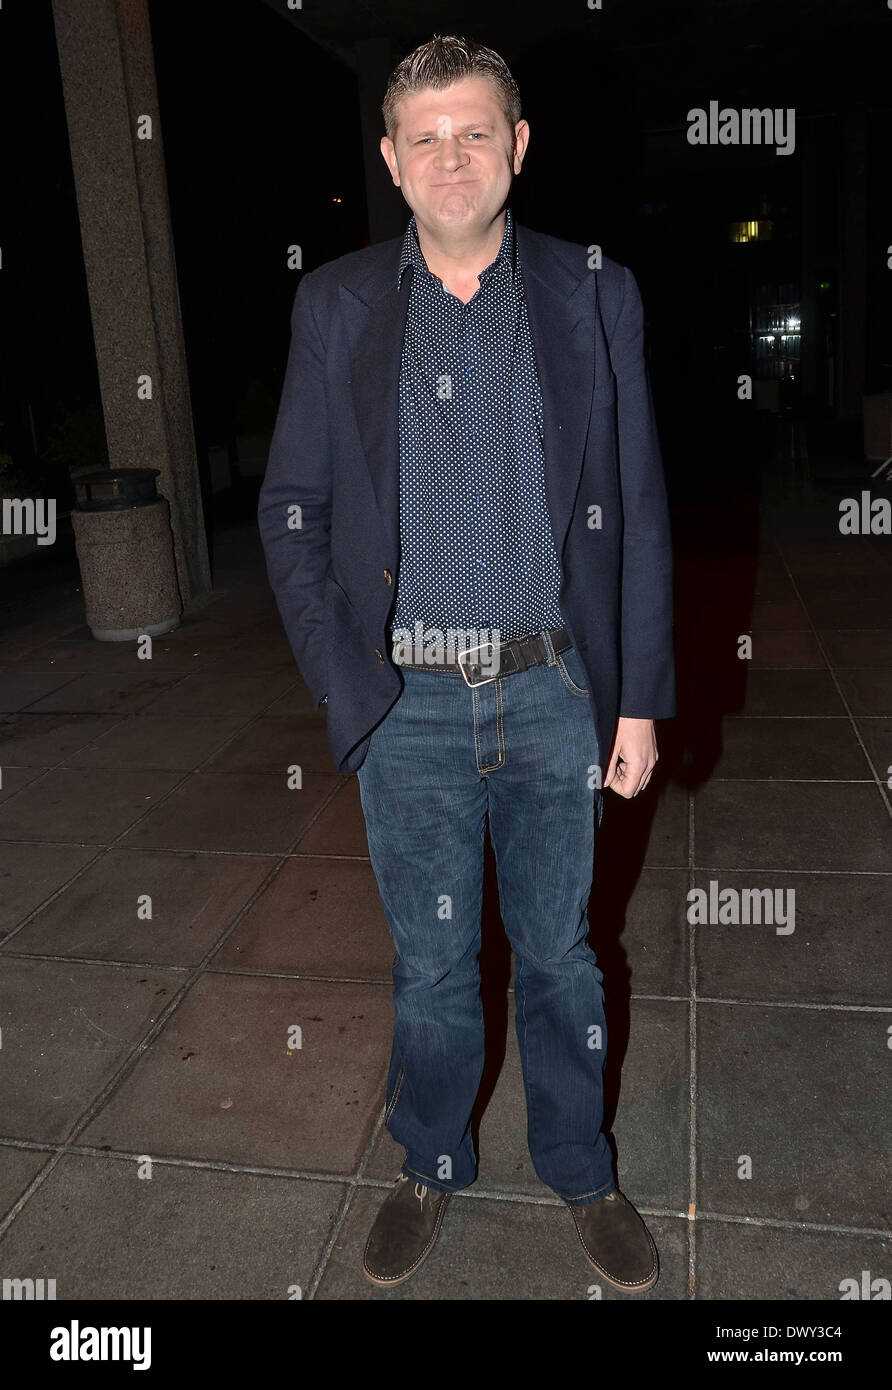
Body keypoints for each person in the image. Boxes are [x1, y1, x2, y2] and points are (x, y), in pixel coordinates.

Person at [258, 34, 675, 1294]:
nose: (452, 156)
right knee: (434, 966)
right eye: (424, 135)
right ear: (390, 158)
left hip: (555, 692)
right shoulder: (334, 304)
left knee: (558, 955)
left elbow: (639, 506)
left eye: (475, 130)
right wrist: (349, 685)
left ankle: (579, 1167)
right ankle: (430, 1161)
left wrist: (641, 696)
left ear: (518, 147)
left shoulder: (594, 292)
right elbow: (293, 509)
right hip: (410, 704)